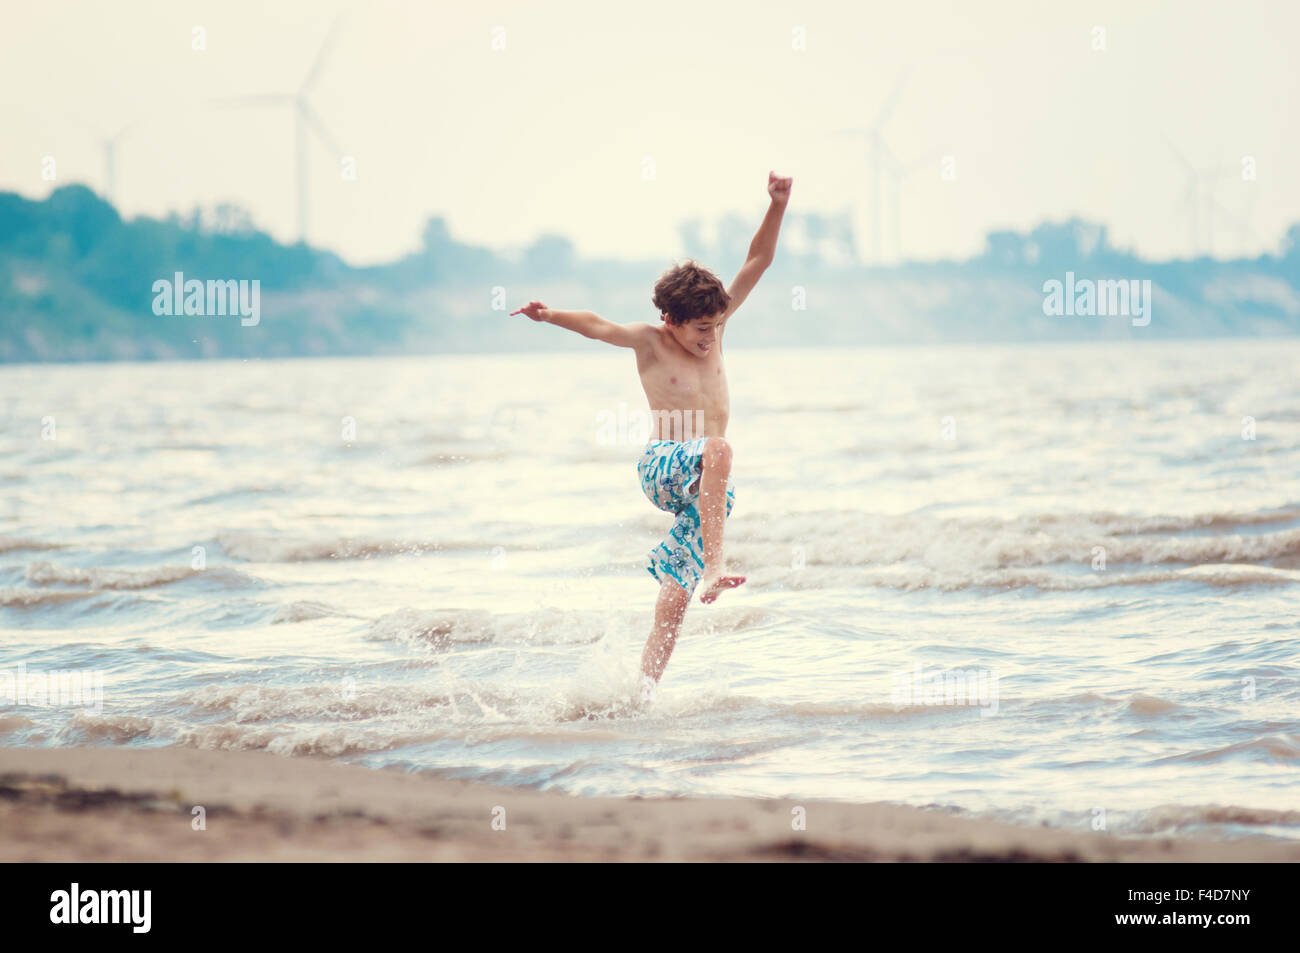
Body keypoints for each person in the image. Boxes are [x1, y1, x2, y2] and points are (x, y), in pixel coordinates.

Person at [511, 170, 792, 706]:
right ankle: (716, 565)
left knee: (675, 593)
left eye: (717, 326)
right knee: (719, 448)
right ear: (670, 321)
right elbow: (596, 325)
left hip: (710, 484)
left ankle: (639, 695)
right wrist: (548, 316)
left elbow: (758, 261)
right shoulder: (650, 341)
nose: (711, 338)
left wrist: (777, 204)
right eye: (700, 330)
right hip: (664, 466)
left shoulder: (718, 322)